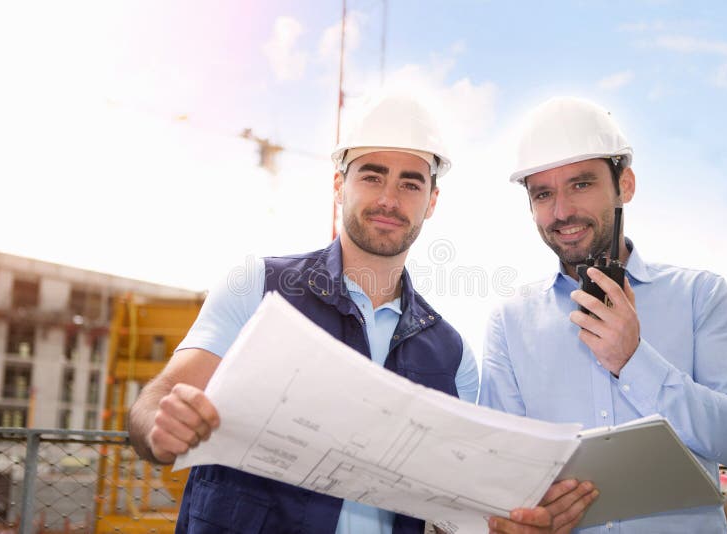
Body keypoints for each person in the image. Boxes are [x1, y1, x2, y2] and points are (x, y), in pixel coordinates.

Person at [128, 94, 596, 534]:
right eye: (373, 177)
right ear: (339, 186)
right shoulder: (259, 287)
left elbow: (455, 507)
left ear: (432, 202)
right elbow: (160, 400)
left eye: (410, 184)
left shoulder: (453, 355)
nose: (390, 200)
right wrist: (161, 426)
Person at [479, 96, 727, 533]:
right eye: (543, 194)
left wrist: (634, 360)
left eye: (581, 184)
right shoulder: (509, 324)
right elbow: (497, 474)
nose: (562, 211)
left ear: (625, 185)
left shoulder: (701, 296)